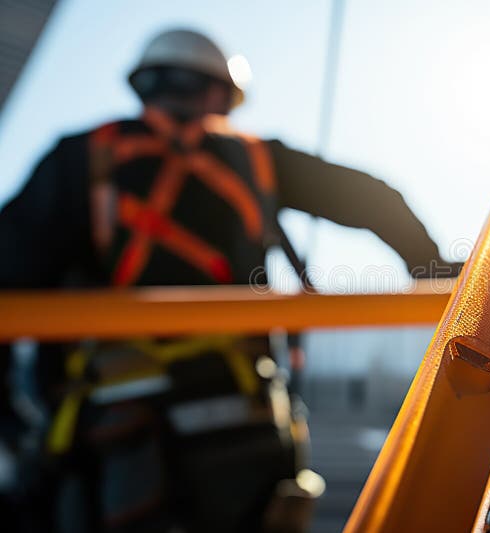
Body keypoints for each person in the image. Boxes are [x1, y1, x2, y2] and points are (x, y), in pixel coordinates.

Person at [0, 29, 457, 532]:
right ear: (222, 93)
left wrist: (14, 422)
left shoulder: (81, 160)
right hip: (243, 426)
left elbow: (8, 274)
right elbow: (377, 199)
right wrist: (431, 271)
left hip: (117, 432)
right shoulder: (257, 160)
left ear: (144, 85)